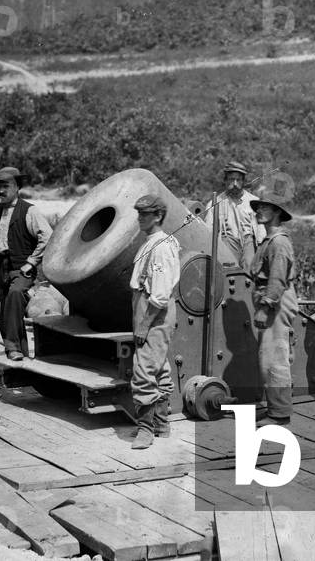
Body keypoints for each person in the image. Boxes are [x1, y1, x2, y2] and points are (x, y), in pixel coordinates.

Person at [0, 166, 53, 362]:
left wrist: (32, 261)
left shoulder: (30, 211)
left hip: (22, 267)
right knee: (8, 310)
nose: (1, 191)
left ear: (17, 186)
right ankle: (22, 354)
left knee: (15, 295)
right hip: (0, 266)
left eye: (6, 186)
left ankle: (11, 346)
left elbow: (47, 236)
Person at [128, 193, 181, 450]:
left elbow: (159, 296)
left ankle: (145, 430)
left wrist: (143, 324)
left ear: (158, 216)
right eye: (139, 213)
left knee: (143, 370)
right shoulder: (154, 242)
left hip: (153, 311)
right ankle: (161, 424)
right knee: (159, 368)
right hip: (151, 307)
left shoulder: (160, 247)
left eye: (144, 214)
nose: (139, 218)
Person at [249, 185, 298, 426]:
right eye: (258, 206)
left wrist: (265, 306)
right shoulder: (268, 240)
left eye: (264, 207)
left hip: (275, 303)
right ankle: (273, 407)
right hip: (271, 299)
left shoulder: (278, 243)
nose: (259, 210)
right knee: (267, 358)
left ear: (277, 212)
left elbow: (277, 280)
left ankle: (280, 414)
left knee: (276, 358)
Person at [214, 160, 266, 271]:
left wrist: (261, 247)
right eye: (231, 180)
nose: (235, 184)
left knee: (250, 269)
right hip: (228, 242)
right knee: (229, 271)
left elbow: (261, 230)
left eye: (238, 180)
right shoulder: (216, 202)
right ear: (225, 181)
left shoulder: (254, 201)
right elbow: (209, 230)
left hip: (248, 242)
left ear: (243, 182)